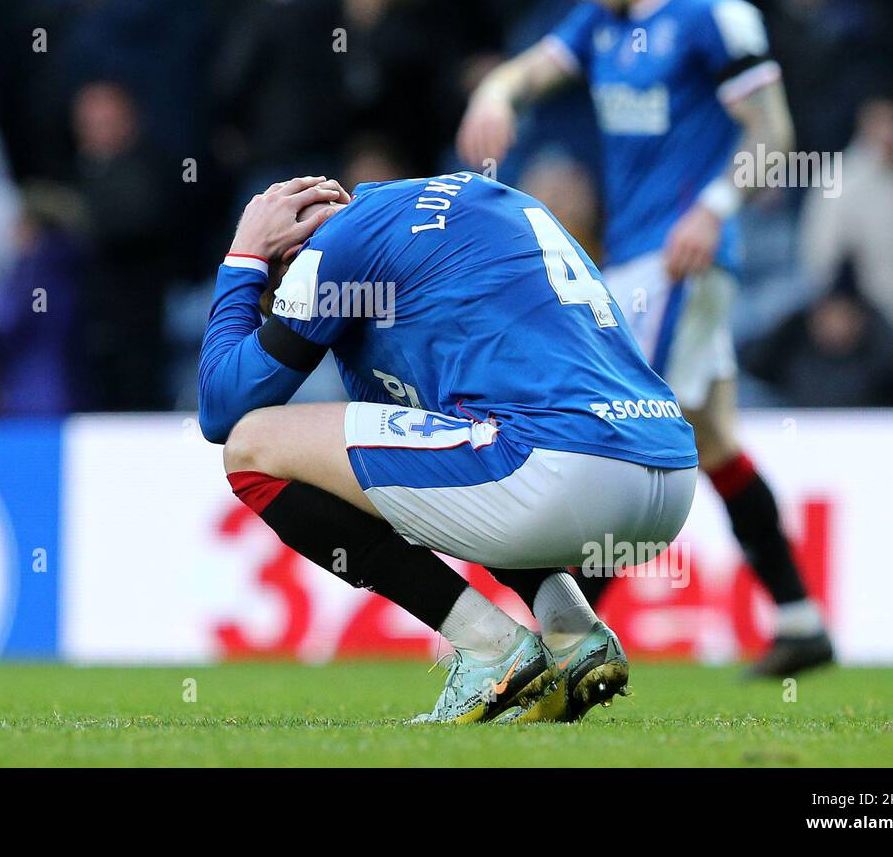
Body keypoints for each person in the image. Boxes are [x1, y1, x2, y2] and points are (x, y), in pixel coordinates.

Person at [456, 0, 832, 677]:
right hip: (630, 260)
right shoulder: (605, 18)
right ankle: (801, 621)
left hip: (681, 261)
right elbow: (529, 71)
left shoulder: (714, 14)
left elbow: (774, 131)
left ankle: (562, 639)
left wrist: (714, 207)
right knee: (714, 441)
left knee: (620, 436)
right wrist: (494, 89)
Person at [199, 173, 697, 723]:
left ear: (290, 255)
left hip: (560, 473)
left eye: (273, 302)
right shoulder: (450, 211)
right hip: (667, 474)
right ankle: (573, 631)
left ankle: (489, 649)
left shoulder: (334, 248)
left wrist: (242, 261)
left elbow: (223, 410)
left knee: (251, 448)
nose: (282, 321)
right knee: (453, 448)